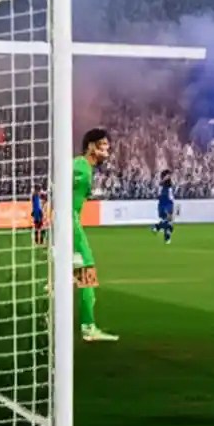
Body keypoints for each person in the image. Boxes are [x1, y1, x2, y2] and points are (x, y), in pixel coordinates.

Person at [74, 128, 118, 342]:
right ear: (91, 146)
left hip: (65, 225)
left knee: (70, 277)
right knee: (87, 273)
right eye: (103, 145)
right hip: (70, 227)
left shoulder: (83, 168)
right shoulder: (80, 167)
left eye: (108, 146)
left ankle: (47, 317)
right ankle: (88, 327)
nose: (107, 150)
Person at [153, 170, 176, 244]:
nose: (169, 177)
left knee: (168, 222)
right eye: (168, 175)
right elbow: (159, 193)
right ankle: (160, 229)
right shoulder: (161, 184)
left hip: (169, 203)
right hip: (164, 203)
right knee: (168, 222)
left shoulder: (170, 184)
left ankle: (158, 228)